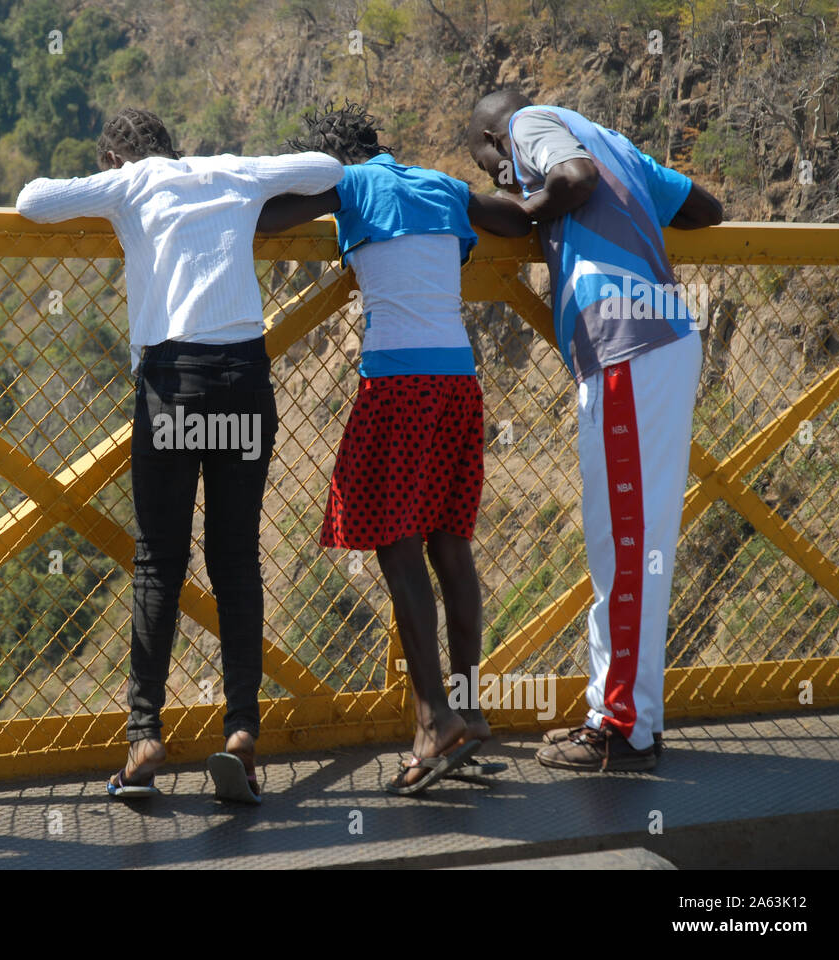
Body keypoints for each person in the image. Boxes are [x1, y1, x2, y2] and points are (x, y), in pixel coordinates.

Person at [15, 107, 344, 802]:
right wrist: (252, 188)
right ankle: (242, 735)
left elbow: (32, 201)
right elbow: (329, 169)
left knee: (160, 561)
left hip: (175, 391)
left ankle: (143, 739)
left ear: (114, 160)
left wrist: (116, 190)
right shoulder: (231, 170)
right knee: (238, 558)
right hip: (246, 385)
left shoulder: (130, 184)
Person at [257, 102, 531, 793]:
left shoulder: (346, 186)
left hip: (397, 384)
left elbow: (263, 219)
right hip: (458, 383)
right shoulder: (441, 187)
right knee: (449, 542)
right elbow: (516, 217)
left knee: (397, 546)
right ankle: (468, 707)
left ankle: (434, 718)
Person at [466, 90, 724, 771]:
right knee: (632, 540)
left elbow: (571, 180)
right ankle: (630, 716)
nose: (497, 171)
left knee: (628, 546)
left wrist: (526, 209)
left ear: (496, 136)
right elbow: (706, 210)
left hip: (626, 350)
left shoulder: (529, 125)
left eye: (488, 159)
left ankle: (621, 727)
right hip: (659, 337)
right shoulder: (614, 139)